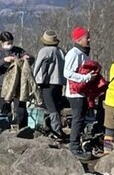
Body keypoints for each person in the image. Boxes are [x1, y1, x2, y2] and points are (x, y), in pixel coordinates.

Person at [0, 31, 29, 130]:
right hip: (2, 86)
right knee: (4, 111)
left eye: (11, 43)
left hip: (17, 86)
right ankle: (4, 131)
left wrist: (27, 58)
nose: (10, 45)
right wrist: (4, 60)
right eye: (7, 43)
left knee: (21, 109)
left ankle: (23, 129)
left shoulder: (18, 50)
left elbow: (29, 57)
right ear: (1, 43)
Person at [64, 26, 94, 156]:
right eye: (87, 37)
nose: (89, 39)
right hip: (75, 92)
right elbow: (67, 72)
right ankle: (74, 146)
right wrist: (85, 78)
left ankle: (77, 143)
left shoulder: (82, 53)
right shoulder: (74, 53)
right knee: (78, 119)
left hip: (81, 91)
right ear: (79, 39)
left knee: (80, 119)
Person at [32, 31, 65, 140]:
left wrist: (34, 80)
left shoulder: (44, 51)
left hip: (47, 83)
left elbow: (37, 67)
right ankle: (54, 128)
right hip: (59, 83)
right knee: (56, 106)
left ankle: (55, 130)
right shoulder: (61, 51)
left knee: (50, 108)